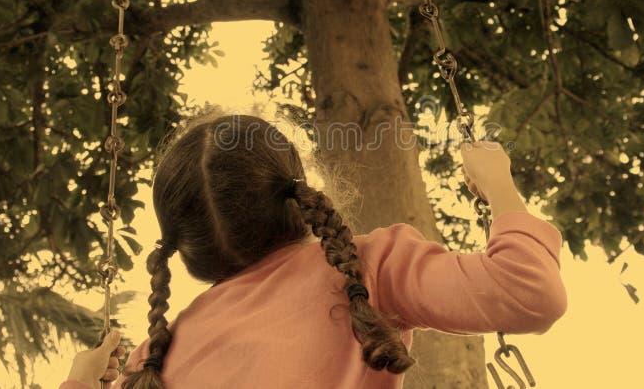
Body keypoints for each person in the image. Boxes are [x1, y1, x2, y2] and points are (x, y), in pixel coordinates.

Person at [60, 109, 567, 389]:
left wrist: (79, 383)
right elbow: (530, 292)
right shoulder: (366, 269)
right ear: (294, 195)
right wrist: (498, 185)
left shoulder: (153, 361)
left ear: (183, 249)